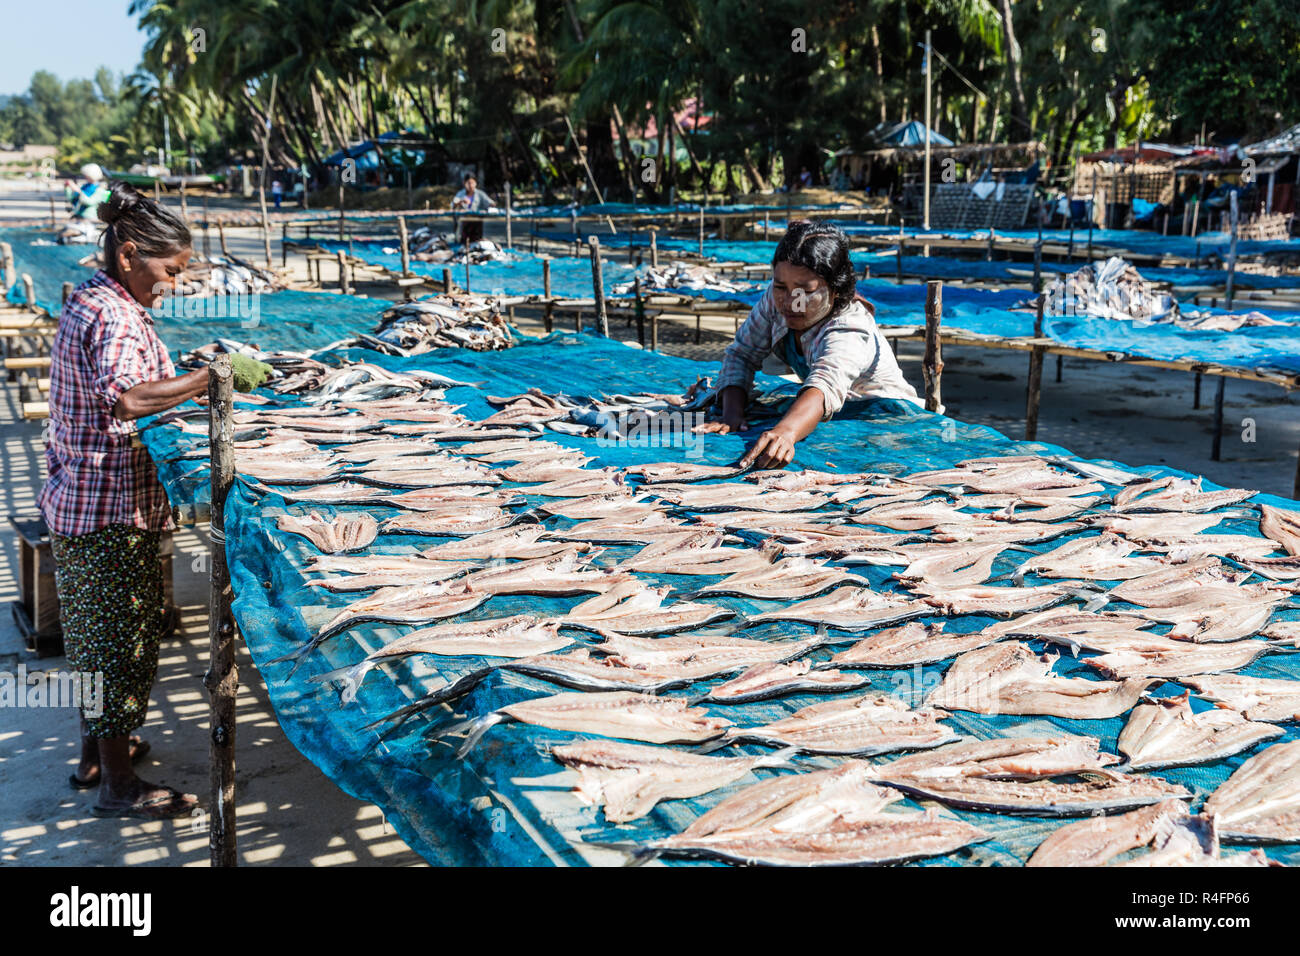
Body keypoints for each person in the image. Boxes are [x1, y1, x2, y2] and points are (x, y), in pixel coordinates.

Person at [40, 183, 270, 820]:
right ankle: (117, 786)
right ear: (129, 254)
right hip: (110, 507)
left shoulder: (96, 296)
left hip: (85, 498)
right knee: (121, 645)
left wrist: (190, 376)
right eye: (167, 271)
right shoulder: (113, 314)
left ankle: (98, 753)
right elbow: (129, 398)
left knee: (96, 642)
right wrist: (213, 376)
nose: (170, 284)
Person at [699, 220, 922, 469]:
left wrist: (786, 431)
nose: (791, 301)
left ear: (835, 289)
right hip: (829, 413)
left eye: (806, 291)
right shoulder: (775, 298)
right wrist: (731, 415)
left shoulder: (849, 325)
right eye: (781, 287)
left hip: (885, 419)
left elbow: (824, 384)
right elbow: (742, 354)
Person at [451, 173, 496, 244]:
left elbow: (490, 203)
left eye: (472, 183)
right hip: (463, 223)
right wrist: (460, 201)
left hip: (477, 223)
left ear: (476, 183)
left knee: (476, 242)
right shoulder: (461, 194)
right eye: (468, 183)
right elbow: (453, 204)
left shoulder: (480, 194)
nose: (470, 185)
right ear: (464, 183)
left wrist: (492, 203)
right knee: (462, 242)